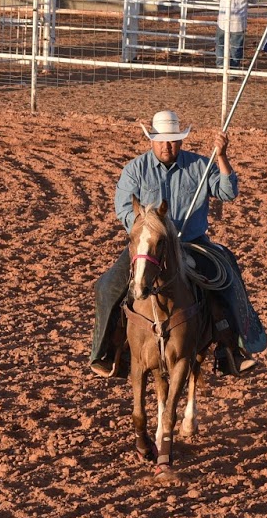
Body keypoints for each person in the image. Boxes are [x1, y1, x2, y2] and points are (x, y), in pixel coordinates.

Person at [88, 110, 256, 379]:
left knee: (226, 279)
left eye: (173, 140)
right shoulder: (135, 170)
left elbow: (227, 191)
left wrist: (222, 156)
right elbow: (124, 210)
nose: (167, 146)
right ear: (151, 140)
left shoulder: (200, 166)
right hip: (150, 246)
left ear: (181, 141)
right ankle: (108, 350)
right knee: (108, 287)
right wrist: (152, 230)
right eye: (162, 140)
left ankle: (232, 349)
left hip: (192, 243)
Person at [212, 0, 256, 70]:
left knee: (221, 43)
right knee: (236, 46)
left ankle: (221, 66)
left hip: (223, 17)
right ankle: (234, 69)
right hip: (239, 19)